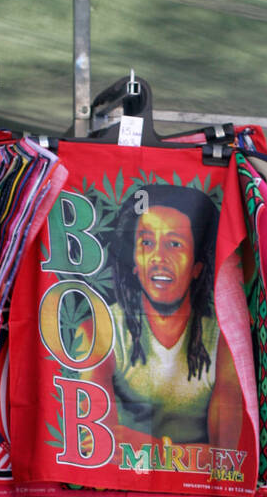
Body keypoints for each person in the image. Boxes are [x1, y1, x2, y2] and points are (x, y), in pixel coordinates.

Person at [90, 183, 244, 447]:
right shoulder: (102, 328)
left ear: (197, 266)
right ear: (134, 262)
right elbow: (94, 443)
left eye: (175, 243)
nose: (158, 257)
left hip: (194, 489)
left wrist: (151, 447)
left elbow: (226, 456)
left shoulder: (223, 340)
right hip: (121, 487)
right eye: (147, 242)